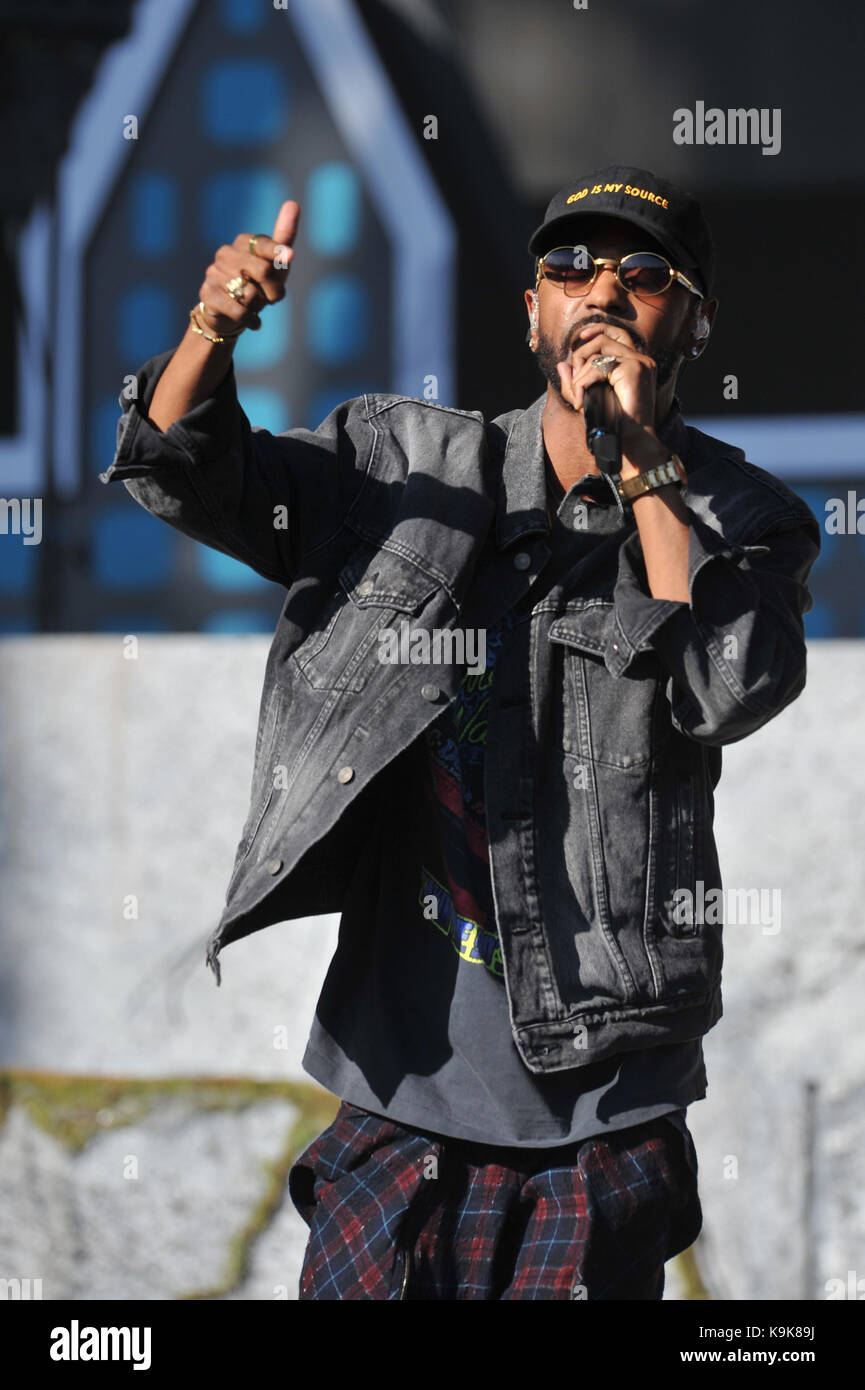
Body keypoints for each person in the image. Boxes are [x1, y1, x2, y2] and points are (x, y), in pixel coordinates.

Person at [99, 165, 821, 1300]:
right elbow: (188, 472)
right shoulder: (405, 466)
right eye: (568, 267)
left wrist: (644, 471)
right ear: (528, 308)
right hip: (402, 1093)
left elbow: (725, 682)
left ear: (694, 320)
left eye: (642, 273)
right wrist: (210, 328)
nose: (600, 291)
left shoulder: (744, 516)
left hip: (599, 1117)